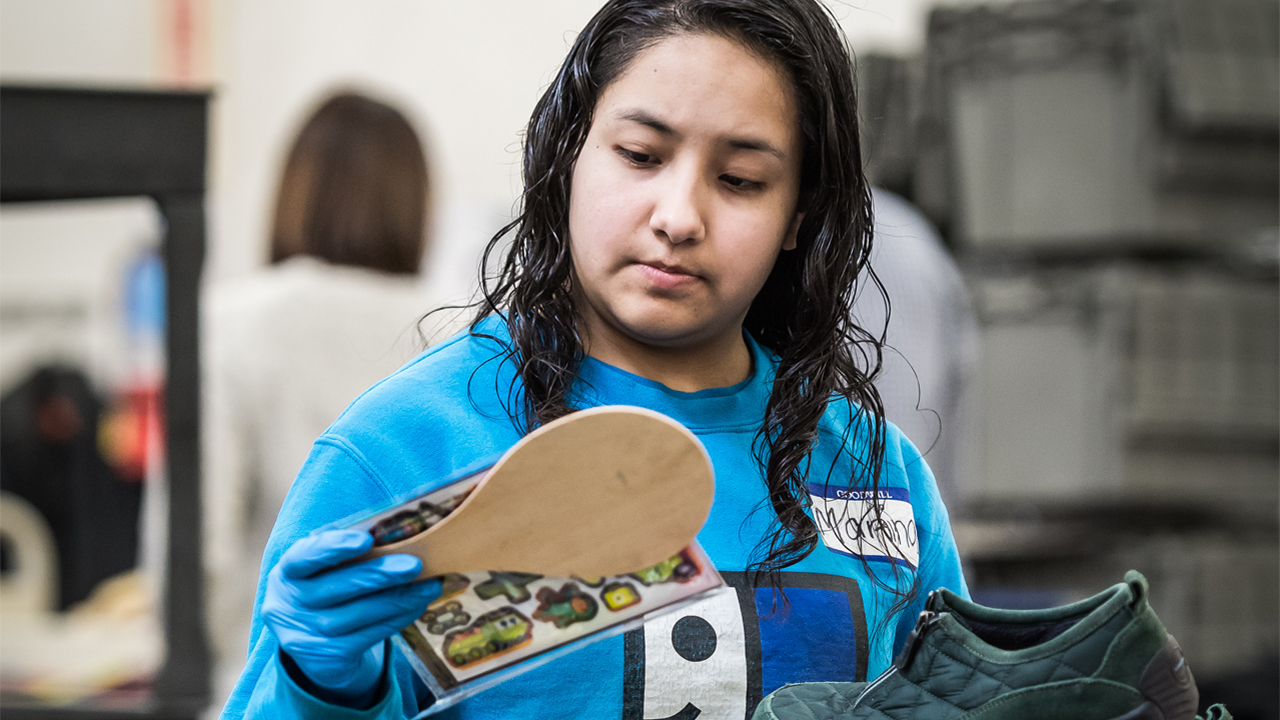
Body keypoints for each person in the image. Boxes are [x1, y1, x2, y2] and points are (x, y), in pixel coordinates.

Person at [220, 2, 968, 718]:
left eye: (740, 179)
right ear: (568, 155)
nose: (678, 217)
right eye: (640, 155)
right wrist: (317, 685)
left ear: (798, 215)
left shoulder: (878, 474)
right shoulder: (396, 454)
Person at [202, 92, 462, 713]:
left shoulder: (232, 320)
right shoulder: (462, 327)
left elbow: (192, 554)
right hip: (437, 687)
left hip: (270, 685)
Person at [854, 188, 980, 509]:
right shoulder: (908, 227)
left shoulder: (826, 235)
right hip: (927, 526)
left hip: (864, 535)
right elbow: (963, 367)